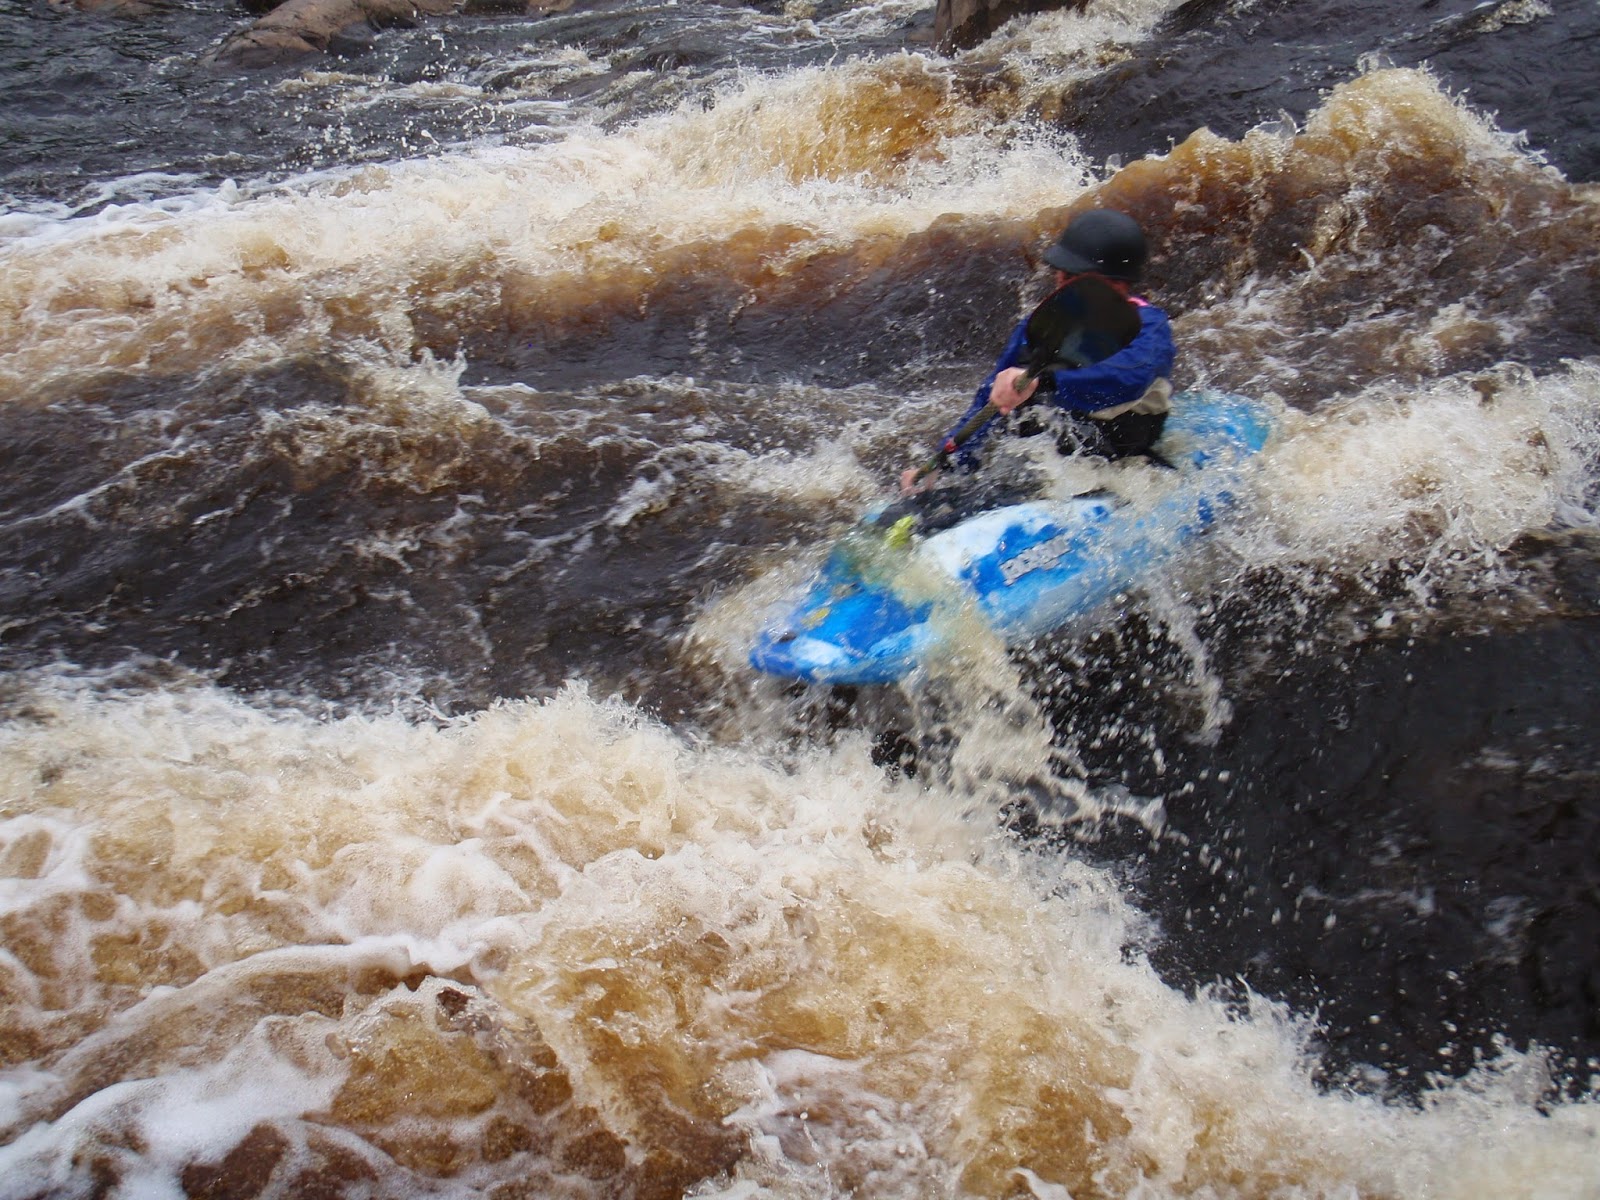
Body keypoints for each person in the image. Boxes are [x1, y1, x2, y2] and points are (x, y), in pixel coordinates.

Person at [901, 209, 1175, 496]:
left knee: (1038, 427)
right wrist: (943, 464)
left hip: (1119, 451)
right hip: (1056, 448)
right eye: (1062, 271)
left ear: (1116, 285)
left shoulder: (1150, 329)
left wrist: (1044, 381)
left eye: (1073, 275)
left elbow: (1125, 380)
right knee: (1014, 426)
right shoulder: (1041, 325)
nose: (1060, 280)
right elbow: (989, 401)